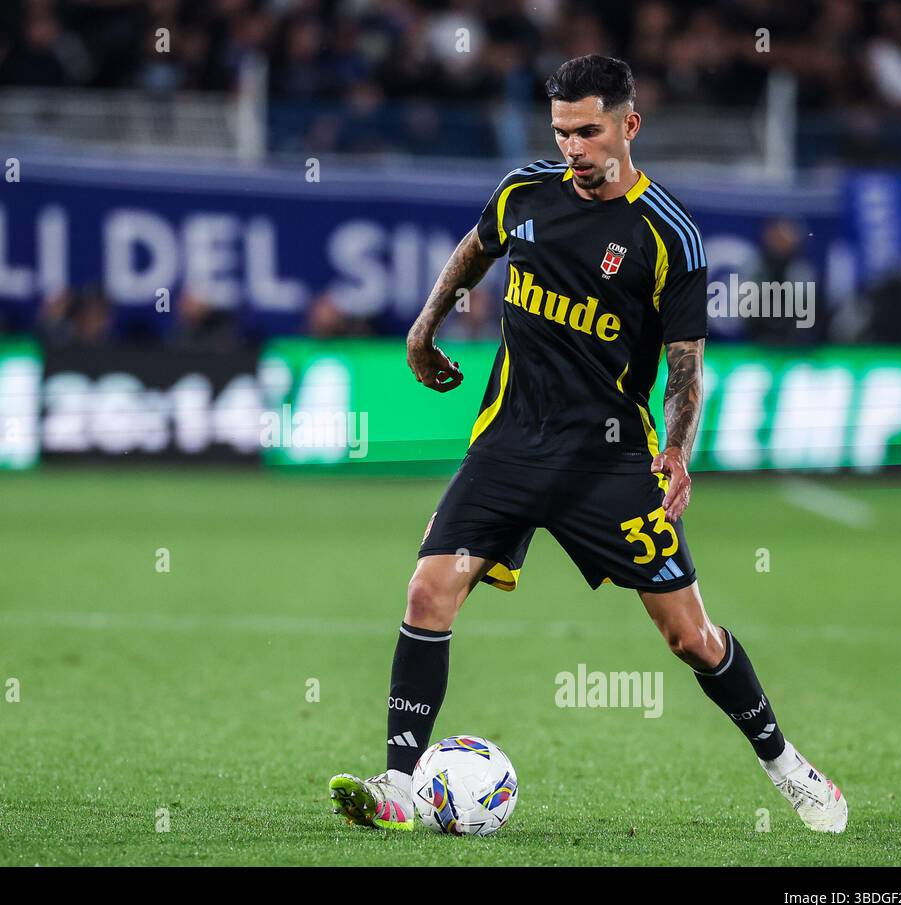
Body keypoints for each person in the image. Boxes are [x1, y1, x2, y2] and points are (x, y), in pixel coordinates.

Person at [328, 55, 847, 835]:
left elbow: (684, 367)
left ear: (629, 125)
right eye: (562, 132)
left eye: (589, 131)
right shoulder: (523, 192)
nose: (573, 148)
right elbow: (477, 247)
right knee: (427, 592)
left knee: (690, 637)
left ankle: (787, 765)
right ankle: (400, 785)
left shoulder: (667, 235)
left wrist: (677, 451)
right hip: (506, 446)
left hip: (609, 463)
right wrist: (425, 323)